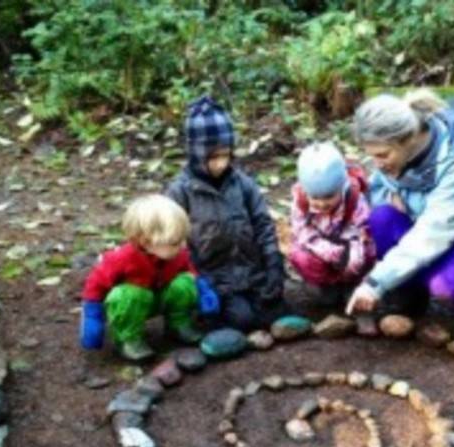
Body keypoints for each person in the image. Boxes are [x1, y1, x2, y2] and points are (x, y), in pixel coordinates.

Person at [345, 89, 454, 320]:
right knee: (382, 218)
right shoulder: (396, 152)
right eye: (372, 155)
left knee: (446, 286)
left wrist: (375, 283)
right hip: (431, 230)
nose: (376, 164)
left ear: (407, 138)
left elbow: (434, 232)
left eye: (382, 155)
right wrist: (389, 198)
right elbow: (377, 192)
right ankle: (410, 293)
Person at [167, 96, 286, 331]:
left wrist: (273, 262)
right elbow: (175, 244)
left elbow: (262, 224)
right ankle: (202, 314)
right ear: (197, 153)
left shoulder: (242, 183)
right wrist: (199, 279)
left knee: (276, 310)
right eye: (213, 157)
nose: (221, 163)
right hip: (212, 277)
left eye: (226, 154)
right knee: (242, 320)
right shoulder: (181, 191)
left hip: (250, 271)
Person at [80, 194, 219, 361]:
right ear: (146, 242)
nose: (183, 245)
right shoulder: (121, 258)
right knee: (128, 295)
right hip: (135, 305)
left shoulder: (177, 255)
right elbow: (95, 284)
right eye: (175, 242)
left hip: (161, 297)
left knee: (184, 283)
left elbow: (190, 270)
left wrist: (204, 291)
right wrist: (92, 317)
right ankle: (129, 338)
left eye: (183, 239)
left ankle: (178, 323)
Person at [288, 141, 375, 305]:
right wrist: (330, 252)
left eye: (328, 197)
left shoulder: (354, 199)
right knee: (300, 255)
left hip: (348, 244)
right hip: (319, 245)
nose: (321, 204)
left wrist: (351, 257)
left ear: (341, 187)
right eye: (314, 198)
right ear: (305, 191)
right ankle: (327, 286)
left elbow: (363, 231)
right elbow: (302, 232)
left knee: (365, 255)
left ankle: (352, 284)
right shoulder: (300, 200)